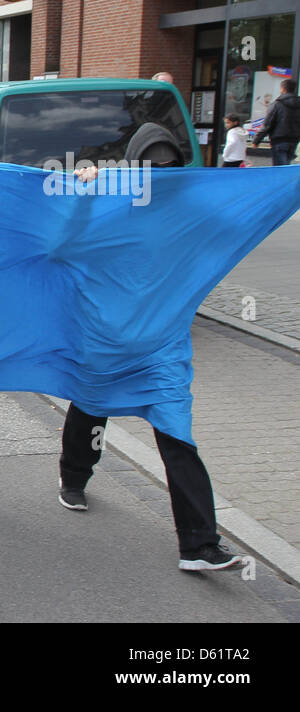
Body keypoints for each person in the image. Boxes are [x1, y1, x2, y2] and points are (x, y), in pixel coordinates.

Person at [63, 126, 245, 571]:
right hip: (108, 337)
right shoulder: (111, 202)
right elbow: (61, 244)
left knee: (176, 435)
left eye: (170, 169)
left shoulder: (192, 209)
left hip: (162, 346)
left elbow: (235, 220)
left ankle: (199, 544)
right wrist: (82, 192)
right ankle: (74, 476)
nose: (162, 175)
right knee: (91, 407)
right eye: (153, 168)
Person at [253, 78, 299, 166]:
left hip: (279, 140)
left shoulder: (277, 104)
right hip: (294, 140)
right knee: (286, 165)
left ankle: (283, 179)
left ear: (283, 89)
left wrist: (256, 140)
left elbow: (267, 123)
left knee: (280, 168)